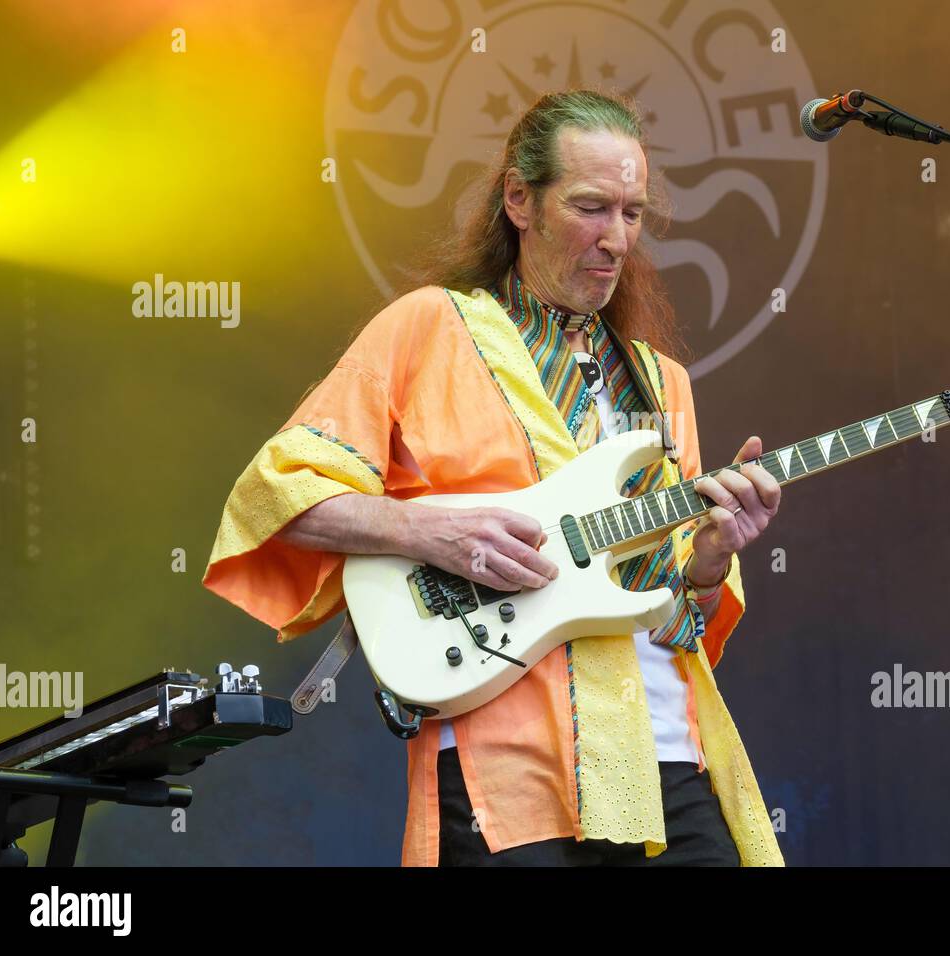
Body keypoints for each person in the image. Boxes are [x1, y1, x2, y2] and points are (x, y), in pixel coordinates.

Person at [203, 89, 784, 866]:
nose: (617, 238)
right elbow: (274, 495)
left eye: (633, 213)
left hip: (668, 758)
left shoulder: (660, 382)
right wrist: (427, 530)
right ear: (519, 199)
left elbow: (679, 622)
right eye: (591, 207)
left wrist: (707, 566)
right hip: (507, 764)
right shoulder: (429, 327)